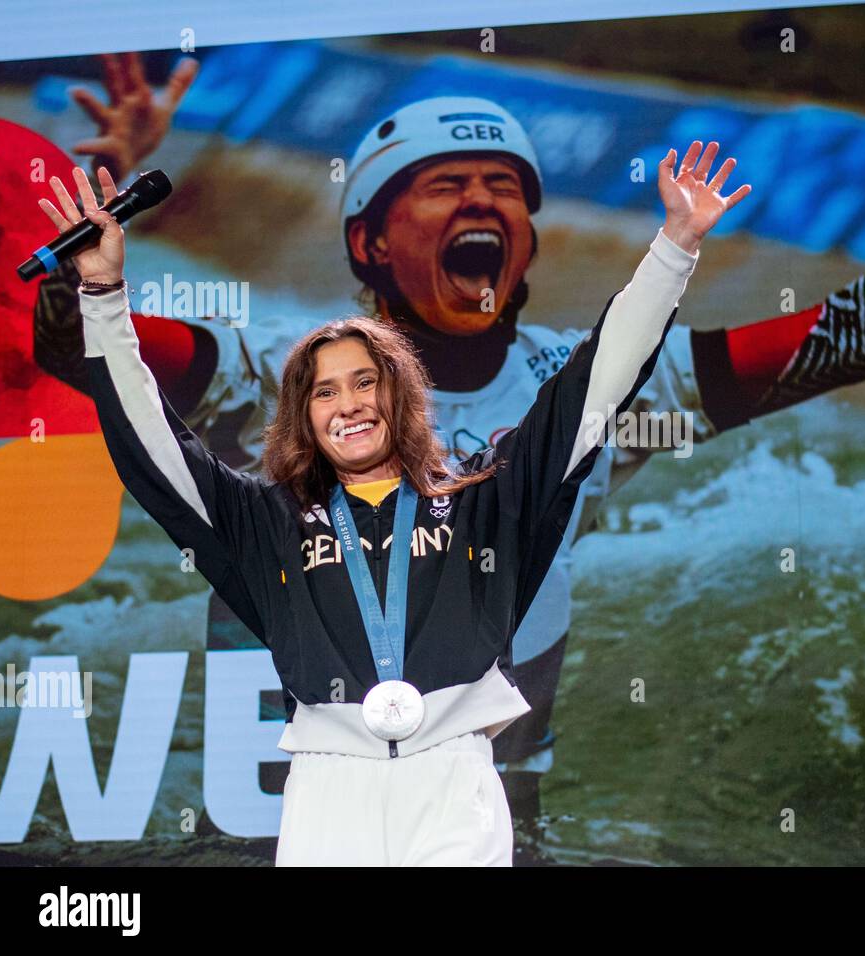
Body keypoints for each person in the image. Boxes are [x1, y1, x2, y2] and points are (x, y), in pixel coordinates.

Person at [30, 53, 865, 862]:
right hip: (272, 835)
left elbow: (849, 336)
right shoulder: (271, 374)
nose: (483, 198)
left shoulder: (608, 389)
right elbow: (75, 345)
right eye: (446, 184)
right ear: (368, 241)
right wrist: (80, 217)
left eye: (506, 185)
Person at [37, 139, 749, 865]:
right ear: (302, 417)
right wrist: (101, 294)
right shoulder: (268, 522)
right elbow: (152, 449)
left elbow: (592, 389)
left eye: (365, 382)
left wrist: (675, 246)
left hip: (456, 784)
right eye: (323, 391)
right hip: (326, 792)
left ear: (401, 398)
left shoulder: (484, 500)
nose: (347, 404)